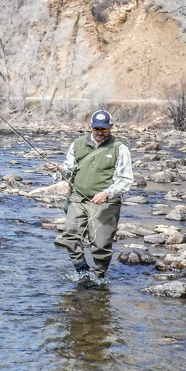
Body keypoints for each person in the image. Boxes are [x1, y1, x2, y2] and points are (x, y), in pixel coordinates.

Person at [44, 110, 133, 284]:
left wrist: (107, 193)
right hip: (78, 198)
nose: (100, 133)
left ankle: (98, 277)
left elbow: (126, 180)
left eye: (104, 130)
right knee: (69, 236)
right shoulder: (77, 144)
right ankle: (82, 271)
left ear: (111, 127)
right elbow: (69, 169)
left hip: (106, 202)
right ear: (90, 126)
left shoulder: (119, 148)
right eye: (97, 129)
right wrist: (59, 169)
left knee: (100, 245)